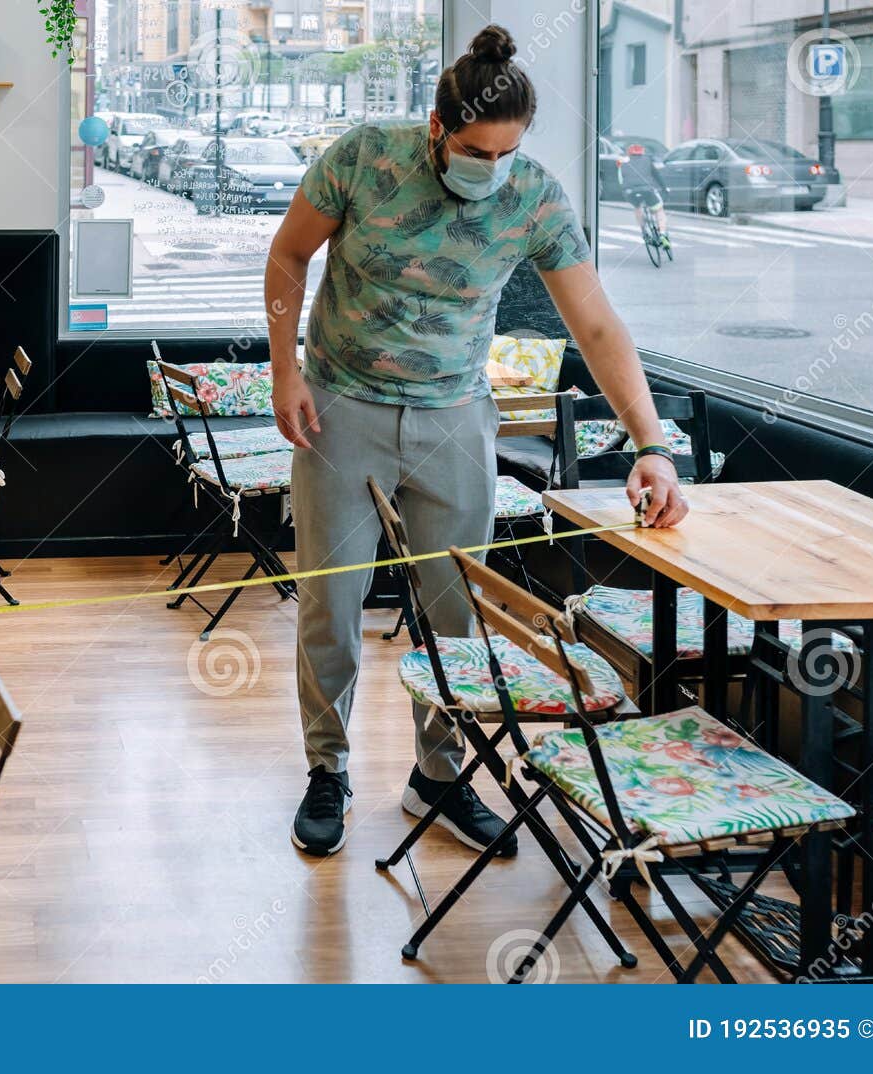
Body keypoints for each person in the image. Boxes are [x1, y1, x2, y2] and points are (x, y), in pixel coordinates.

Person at [265, 25, 688, 857]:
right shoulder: (363, 157)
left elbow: (596, 325)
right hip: (340, 405)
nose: (485, 169)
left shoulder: (532, 196)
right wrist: (287, 370)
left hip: (453, 414)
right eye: (470, 150)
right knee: (331, 603)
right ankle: (328, 769)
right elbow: (287, 257)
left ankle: (441, 769)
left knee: (455, 607)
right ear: (435, 127)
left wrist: (653, 442)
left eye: (503, 153)